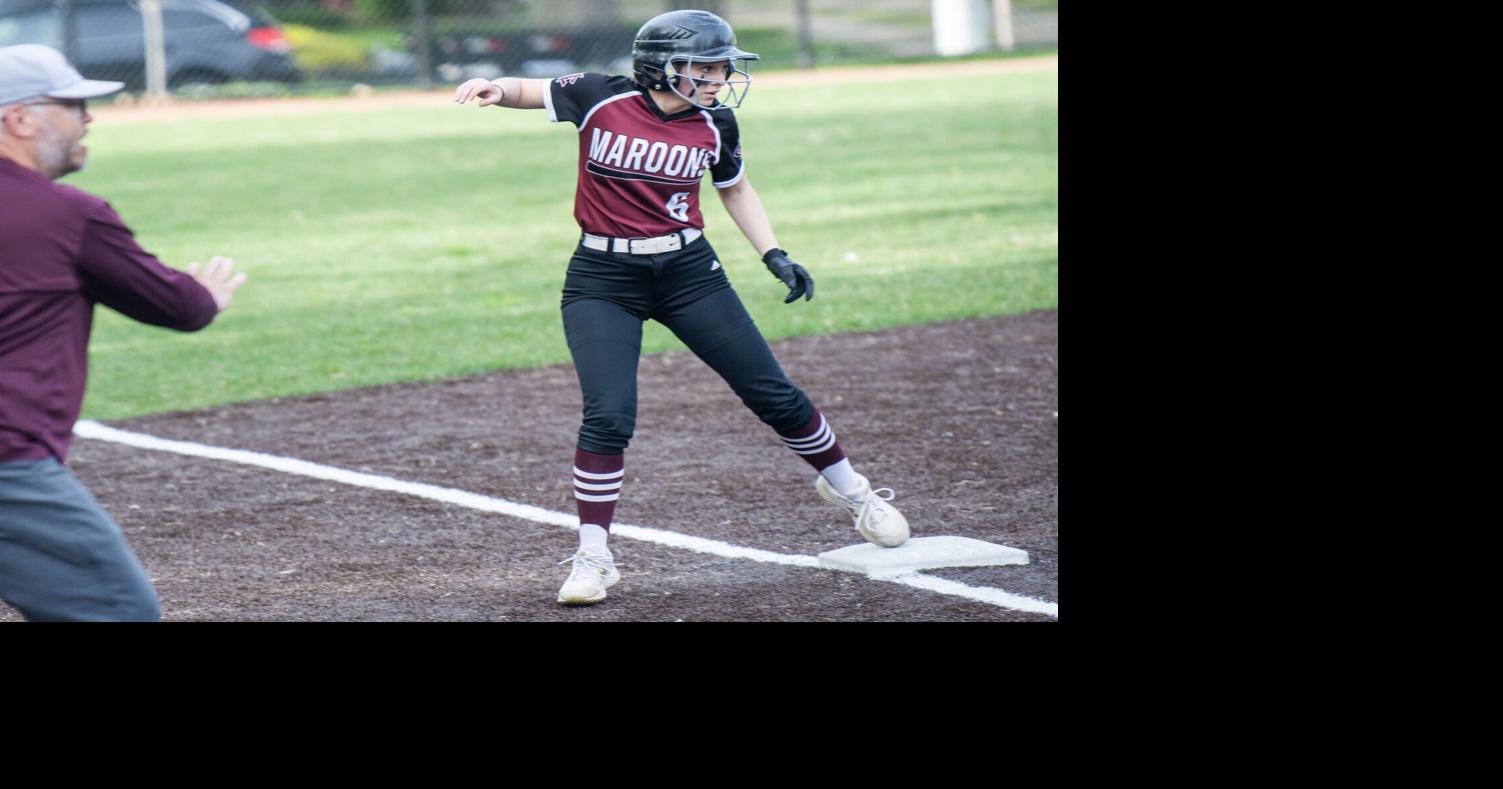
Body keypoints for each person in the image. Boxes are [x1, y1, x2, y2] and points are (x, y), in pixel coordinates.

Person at [455, 9, 909, 606]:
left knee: (771, 392)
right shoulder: (600, 96)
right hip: (602, 278)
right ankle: (594, 557)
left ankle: (854, 493)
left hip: (688, 273)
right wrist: (493, 87)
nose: (721, 78)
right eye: (707, 67)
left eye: (723, 67)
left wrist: (774, 253)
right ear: (662, 67)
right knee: (608, 415)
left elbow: (733, 187)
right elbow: (527, 89)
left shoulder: (716, 122)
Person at [0, 45, 247, 621]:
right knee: (118, 611)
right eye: (72, 106)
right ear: (19, 119)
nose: (88, 118)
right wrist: (205, 294)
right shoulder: (65, 214)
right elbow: (178, 306)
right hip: (9, 466)